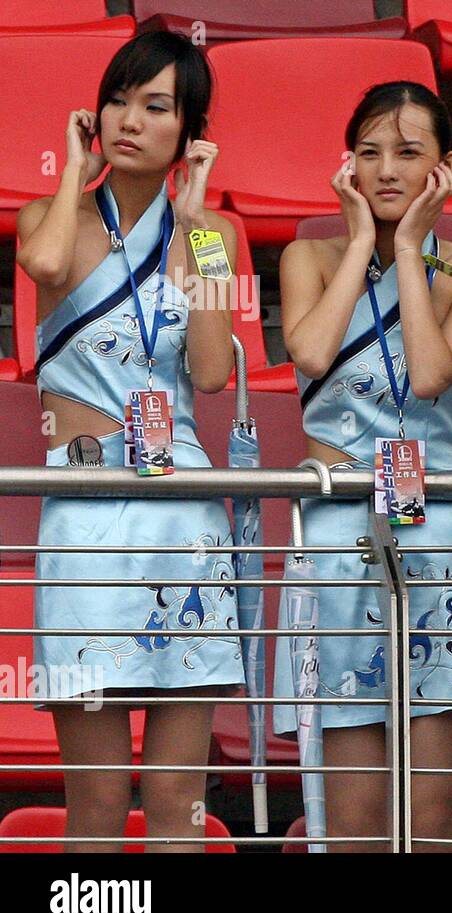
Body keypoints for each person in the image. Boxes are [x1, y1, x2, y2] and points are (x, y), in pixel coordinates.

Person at [17, 31, 242, 851]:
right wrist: (75, 169)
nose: (129, 119)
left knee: (178, 791)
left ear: (189, 133)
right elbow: (43, 265)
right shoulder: (55, 215)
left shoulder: (212, 234)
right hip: (84, 510)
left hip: (182, 510)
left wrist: (192, 226)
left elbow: (213, 371)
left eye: (156, 106)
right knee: (100, 793)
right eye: (118, 98)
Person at [273, 82, 452, 852]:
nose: (385, 170)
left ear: (445, 168)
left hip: (437, 537)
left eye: (408, 153)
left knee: (433, 822)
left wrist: (409, 248)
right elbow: (308, 351)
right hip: (338, 541)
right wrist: (358, 247)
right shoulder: (307, 256)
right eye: (369, 153)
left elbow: (433, 372)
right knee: (354, 827)